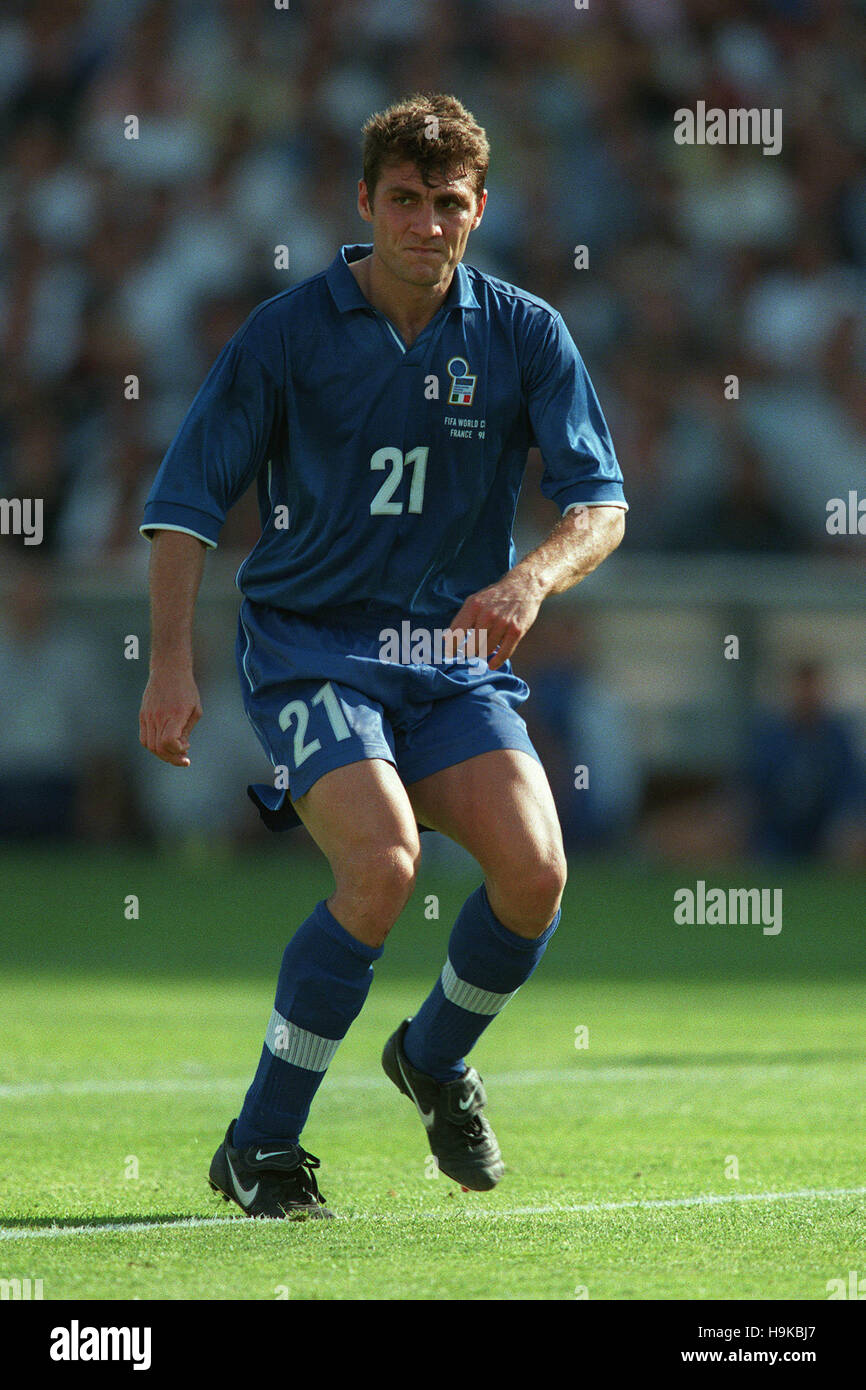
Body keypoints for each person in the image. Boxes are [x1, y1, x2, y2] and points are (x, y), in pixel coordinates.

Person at [138, 93, 627, 1219]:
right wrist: (168, 664)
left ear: (477, 210)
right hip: (314, 649)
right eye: (402, 200)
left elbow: (598, 504)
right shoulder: (286, 333)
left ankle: (433, 1053)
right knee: (382, 866)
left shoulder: (521, 331)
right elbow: (183, 506)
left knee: (536, 872)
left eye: (446, 203)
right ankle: (260, 1146)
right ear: (364, 205)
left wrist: (526, 578)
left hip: (448, 661)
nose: (425, 222)